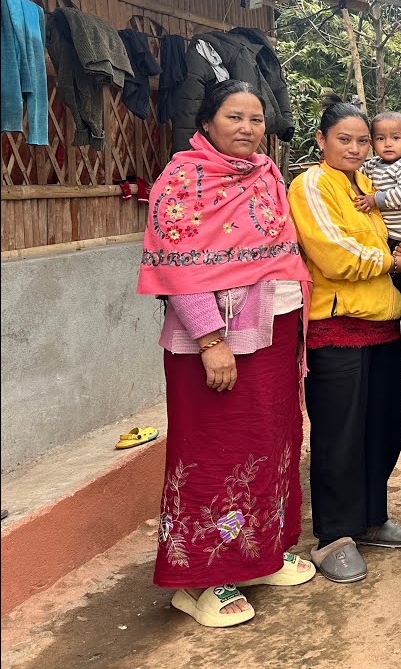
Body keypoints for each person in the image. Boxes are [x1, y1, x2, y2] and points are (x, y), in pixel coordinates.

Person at [137, 80, 315, 627]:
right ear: (209, 121)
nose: (247, 128)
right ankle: (199, 580)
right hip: (214, 344)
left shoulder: (266, 174)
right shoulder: (182, 178)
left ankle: (258, 556)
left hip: (275, 334)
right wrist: (210, 342)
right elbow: (177, 266)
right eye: (235, 117)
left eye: (256, 119)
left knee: (272, 442)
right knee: (215, 453)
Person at [287, 94, 401, 583]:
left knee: (381, 428)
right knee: (339, 435)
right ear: (322, 140)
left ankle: (370, 518)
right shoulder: (310, 185)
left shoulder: (365, 184)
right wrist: (396, 262)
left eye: (362, 140)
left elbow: (370, 241)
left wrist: (395, 245)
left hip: (383, 325)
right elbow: (333, 254)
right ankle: (334, 536)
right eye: (343, 139)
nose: (355, 148)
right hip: (336, 328)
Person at [354, 110, 401, 308]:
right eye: (381, 138)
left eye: (396, 138)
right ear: (372, 143)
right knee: (392, 281)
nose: (388, 143)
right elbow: (355, 176)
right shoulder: (372, 165)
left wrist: (375, 199)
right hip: (389, 235)